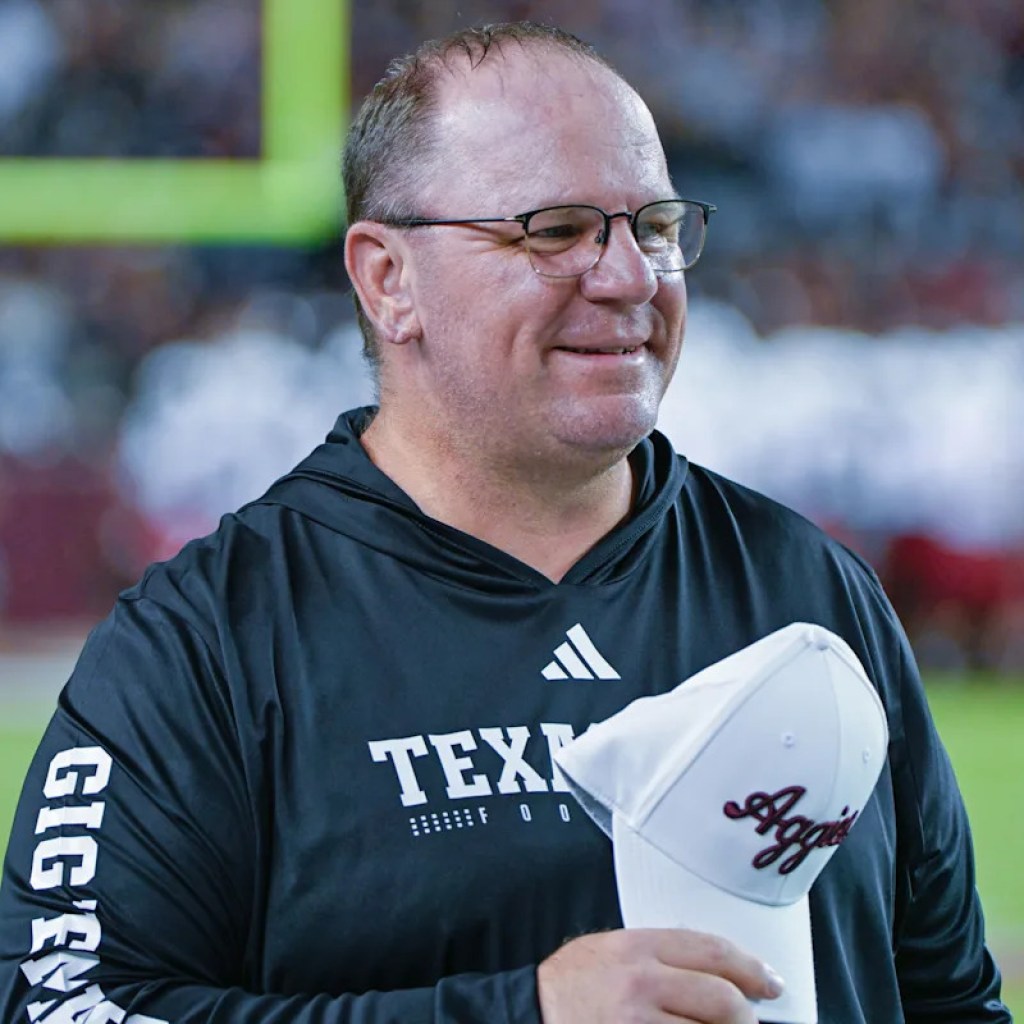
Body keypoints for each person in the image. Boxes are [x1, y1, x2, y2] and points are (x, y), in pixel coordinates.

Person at [0, 21, 1011, 1024]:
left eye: (656, 227)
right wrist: (525, 1012)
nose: (630, 276)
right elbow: (61, 1007)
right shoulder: (208, 640)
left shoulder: (809, 591)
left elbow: (950, 1001)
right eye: (556, 230)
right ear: (388, 279)